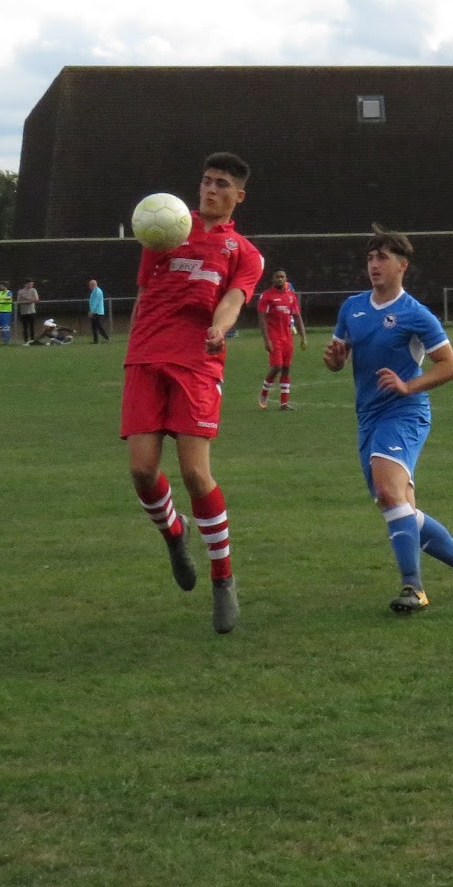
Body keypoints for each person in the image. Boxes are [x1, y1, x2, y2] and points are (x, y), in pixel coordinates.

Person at [123, 151, 265, 635]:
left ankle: (223, 581)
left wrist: (219, 329)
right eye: (205, 181)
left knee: (194, 473)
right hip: (145, 356)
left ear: (238, 196)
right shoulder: (165, 227)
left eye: (221, 184)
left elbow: (234, 298)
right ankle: (174, 532)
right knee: (142, 470)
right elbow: (147, 293)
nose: (209, 190)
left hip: (198, 362)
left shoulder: (244, 252)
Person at [323, 224, 453, 614]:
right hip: (369, 417)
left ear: (402, 265)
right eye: (370, 257)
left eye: (382, 257)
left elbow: (451, 366)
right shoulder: (352, 307)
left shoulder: (416, 315)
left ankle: (413, 589)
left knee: (387, 493)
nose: (374, 265)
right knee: (400, 509)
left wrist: (408, 386)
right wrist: (334, 360)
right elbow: (339, 357)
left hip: (405, 413)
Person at [256, 269, 308, 409]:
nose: (280, 279)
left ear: (286, 279)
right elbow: (262, 318)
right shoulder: (267, 296)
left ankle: (284, 403)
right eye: (277, 277)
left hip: (287, 337)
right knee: (276, 366)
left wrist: (303, 337)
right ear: (273, 279)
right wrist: (266, 340)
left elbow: (297, 316)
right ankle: (264, 393)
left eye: (282, 277)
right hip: (274, 337)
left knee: (286, 368)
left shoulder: (291, 296)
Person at [15, 279, 40, 343]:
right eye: (30, 284)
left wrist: (25, 299)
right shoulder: (21, 291)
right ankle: (26, 341)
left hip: (32, 311)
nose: (31, 285)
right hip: (24, 312)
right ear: (26, 284)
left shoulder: (33, 290)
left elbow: (36, 299)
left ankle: (32, 340)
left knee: (32, 327)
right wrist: (29, 300)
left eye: (32, 284)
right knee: (25, 327)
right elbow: (18, 301)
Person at [87, 279, 109, 344]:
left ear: (92, 285)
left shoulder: (96, 291)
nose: (89, 286)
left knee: (98, 326)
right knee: (94, 326)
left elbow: (95, 302)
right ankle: (95, 341)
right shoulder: (95, 291)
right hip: (96, 311)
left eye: (90, 285)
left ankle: (106, 338)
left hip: (97, 312)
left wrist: (91, 311)